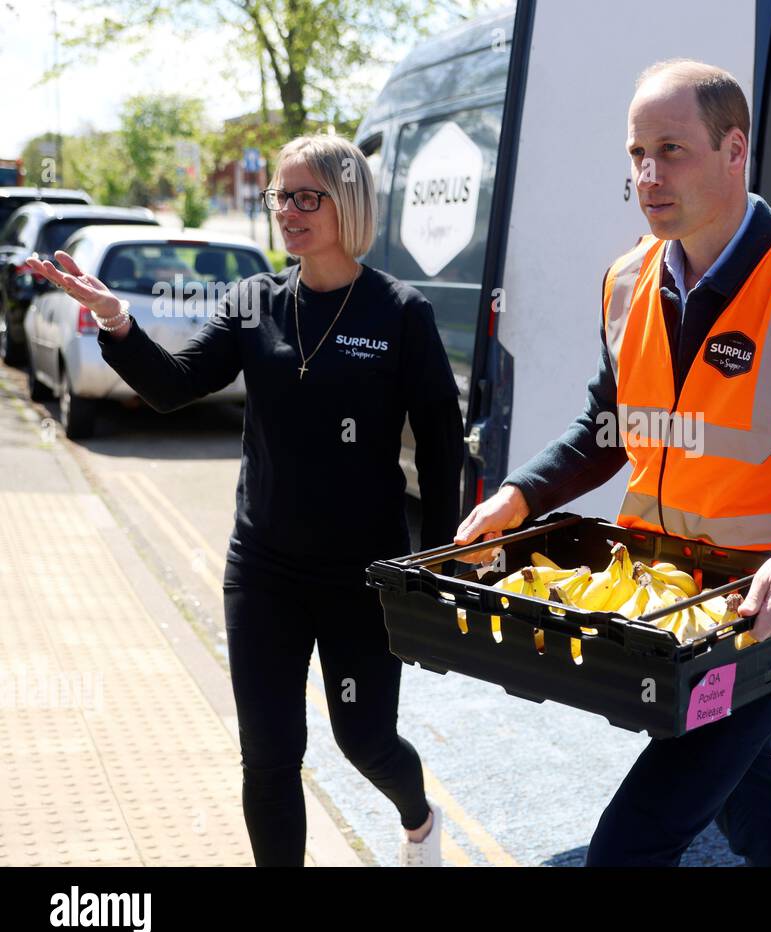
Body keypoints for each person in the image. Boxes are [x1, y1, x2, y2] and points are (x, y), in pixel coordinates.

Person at [455, 59, 771, 866]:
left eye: (670, 150)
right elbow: (609, 426)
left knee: (632, 844)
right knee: (752, 813)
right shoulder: (626, 278)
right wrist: (519, 494)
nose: (647, 174)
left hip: (764, 622)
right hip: (663, 609)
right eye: (637, 153)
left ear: (735, 148)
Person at [26, 134, 465, 867]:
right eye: (279, 196)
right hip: (263, 571)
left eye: (305, 197)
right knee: (268, 757)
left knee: (365, 741)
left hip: (364, 577)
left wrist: (439, 569)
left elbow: (444, 448)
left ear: (347, 202)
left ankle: (419, 821)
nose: (286, 211)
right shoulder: (255, 300)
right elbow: (172, 386)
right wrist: (115, 320)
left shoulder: (400, 313)